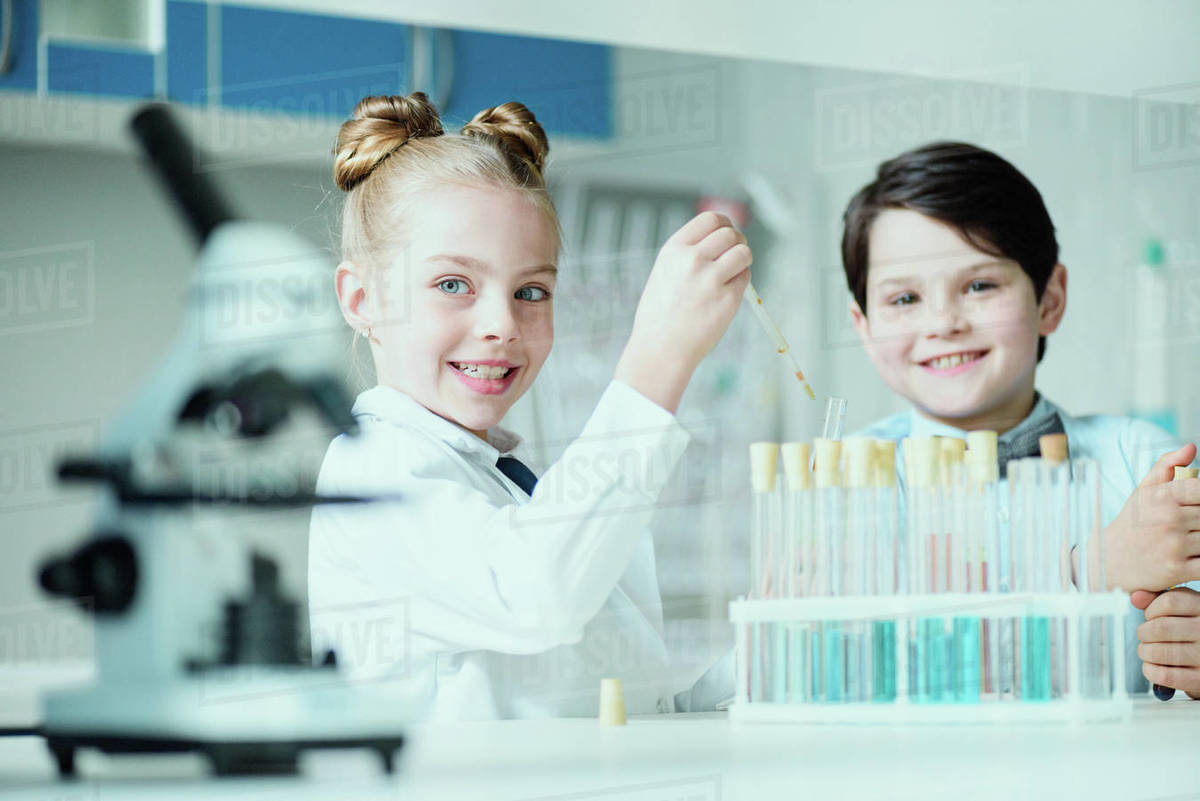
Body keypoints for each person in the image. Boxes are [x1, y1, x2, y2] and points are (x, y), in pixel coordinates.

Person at [308, 92, 753, 720]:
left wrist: (774, 647)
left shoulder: (514, 491)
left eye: (531, 290)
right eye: (453, 284)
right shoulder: (373, 472)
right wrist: (658, 359)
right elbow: (536, 595)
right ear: (361, 300)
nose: (502, 323)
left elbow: (638, 708)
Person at [843, 141, 1200, 698]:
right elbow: (837, 664)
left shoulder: (1141, 459)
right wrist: (1091, 567)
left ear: (1050, 299)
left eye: (980, 285)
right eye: (905, 298)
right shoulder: (835, 480)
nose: (943, 322)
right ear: (864, 326)